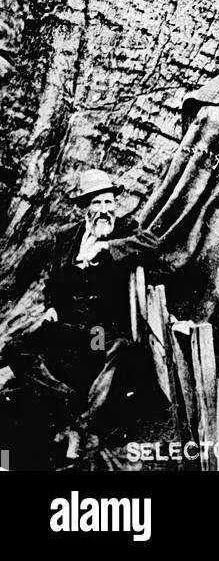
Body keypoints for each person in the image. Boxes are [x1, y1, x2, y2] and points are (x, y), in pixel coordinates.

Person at [3, 168, 163, 455]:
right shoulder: (66, 238)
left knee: (118, 348)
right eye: (96, 203)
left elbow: (153, 243)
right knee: (15, 348)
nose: (104, 211)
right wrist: (51, 307)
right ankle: (70, 402)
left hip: (97, 332)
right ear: (83, 208)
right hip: (65, 329)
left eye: (108, 202)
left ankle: (83, 426)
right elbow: (52, 283)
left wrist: (107, 247)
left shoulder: (126, 230)